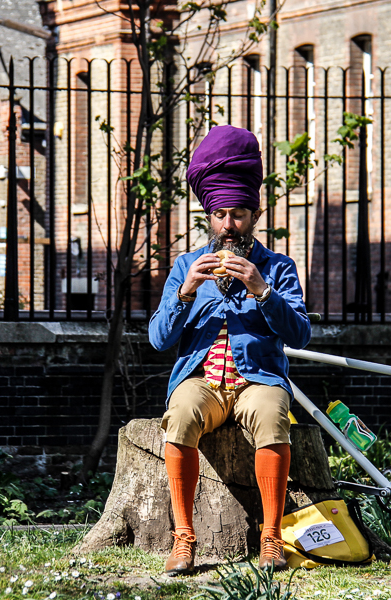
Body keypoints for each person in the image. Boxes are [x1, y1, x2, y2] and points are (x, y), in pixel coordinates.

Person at [148, 125, 312, 576]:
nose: (227, 225)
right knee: (179, 414)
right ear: (208, 216)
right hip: (202, 381)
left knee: (273, 414)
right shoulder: (186, 264)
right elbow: (159, 339)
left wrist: (262, 290)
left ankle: (271, 538)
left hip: (255, 380)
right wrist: (185, 292)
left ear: (254, 215)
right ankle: (184, 539)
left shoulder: (278, 267)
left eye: (237, 214)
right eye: (219, 214)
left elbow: (300, 335)